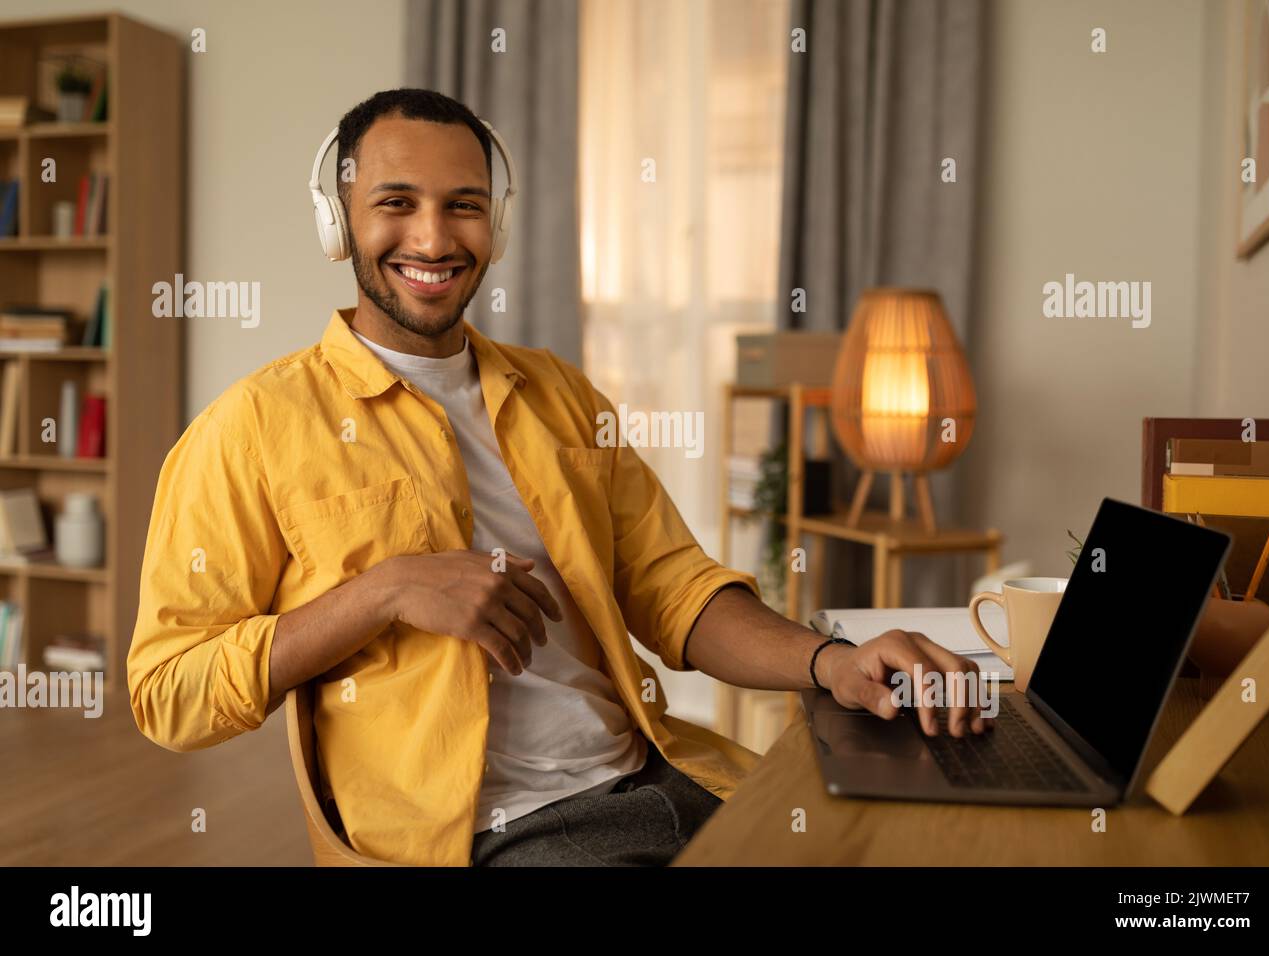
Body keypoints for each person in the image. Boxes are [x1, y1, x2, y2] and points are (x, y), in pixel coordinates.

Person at [127, 89, 985, 867]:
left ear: (493, 222)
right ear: (338, 222)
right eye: (396, 204)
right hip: (499, 836)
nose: (432, 239)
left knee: (922, 846)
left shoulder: (563, 396)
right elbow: (169, 691)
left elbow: (672, 588)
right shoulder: (251, 428)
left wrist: (832, 662)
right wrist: (382, 592)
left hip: (665, 778)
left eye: (462, 206)